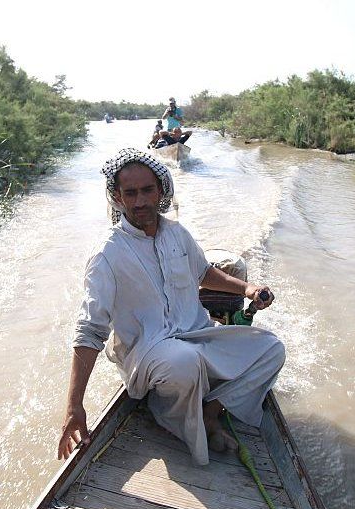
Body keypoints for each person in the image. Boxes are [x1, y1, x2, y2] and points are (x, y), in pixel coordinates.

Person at [57, 148, 286, 466]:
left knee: (271, 348)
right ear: (118, 198)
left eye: (147, 190)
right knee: (184, 362)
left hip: (199, 335)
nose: (140, 202)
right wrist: (74, 406)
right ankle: (169, 414)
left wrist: (248, 288)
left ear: (161, 191)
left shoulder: (177, 234)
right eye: (131, 193)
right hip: (150, 351)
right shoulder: (107, 254)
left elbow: (205, 273)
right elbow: (90, 329)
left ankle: (210, 411)